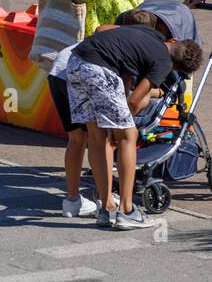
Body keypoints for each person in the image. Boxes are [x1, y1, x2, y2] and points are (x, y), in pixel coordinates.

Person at [65, 23, 202, 229]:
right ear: (176, 68)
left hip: (75, 62)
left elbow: (102, 30)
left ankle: (106, 209)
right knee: (128, 136)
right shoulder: (163, 63)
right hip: (98, 70)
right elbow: (135, 101)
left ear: (173, 41)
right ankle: (127, 210)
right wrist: (123, 122)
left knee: (96, 136)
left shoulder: (153, 35)